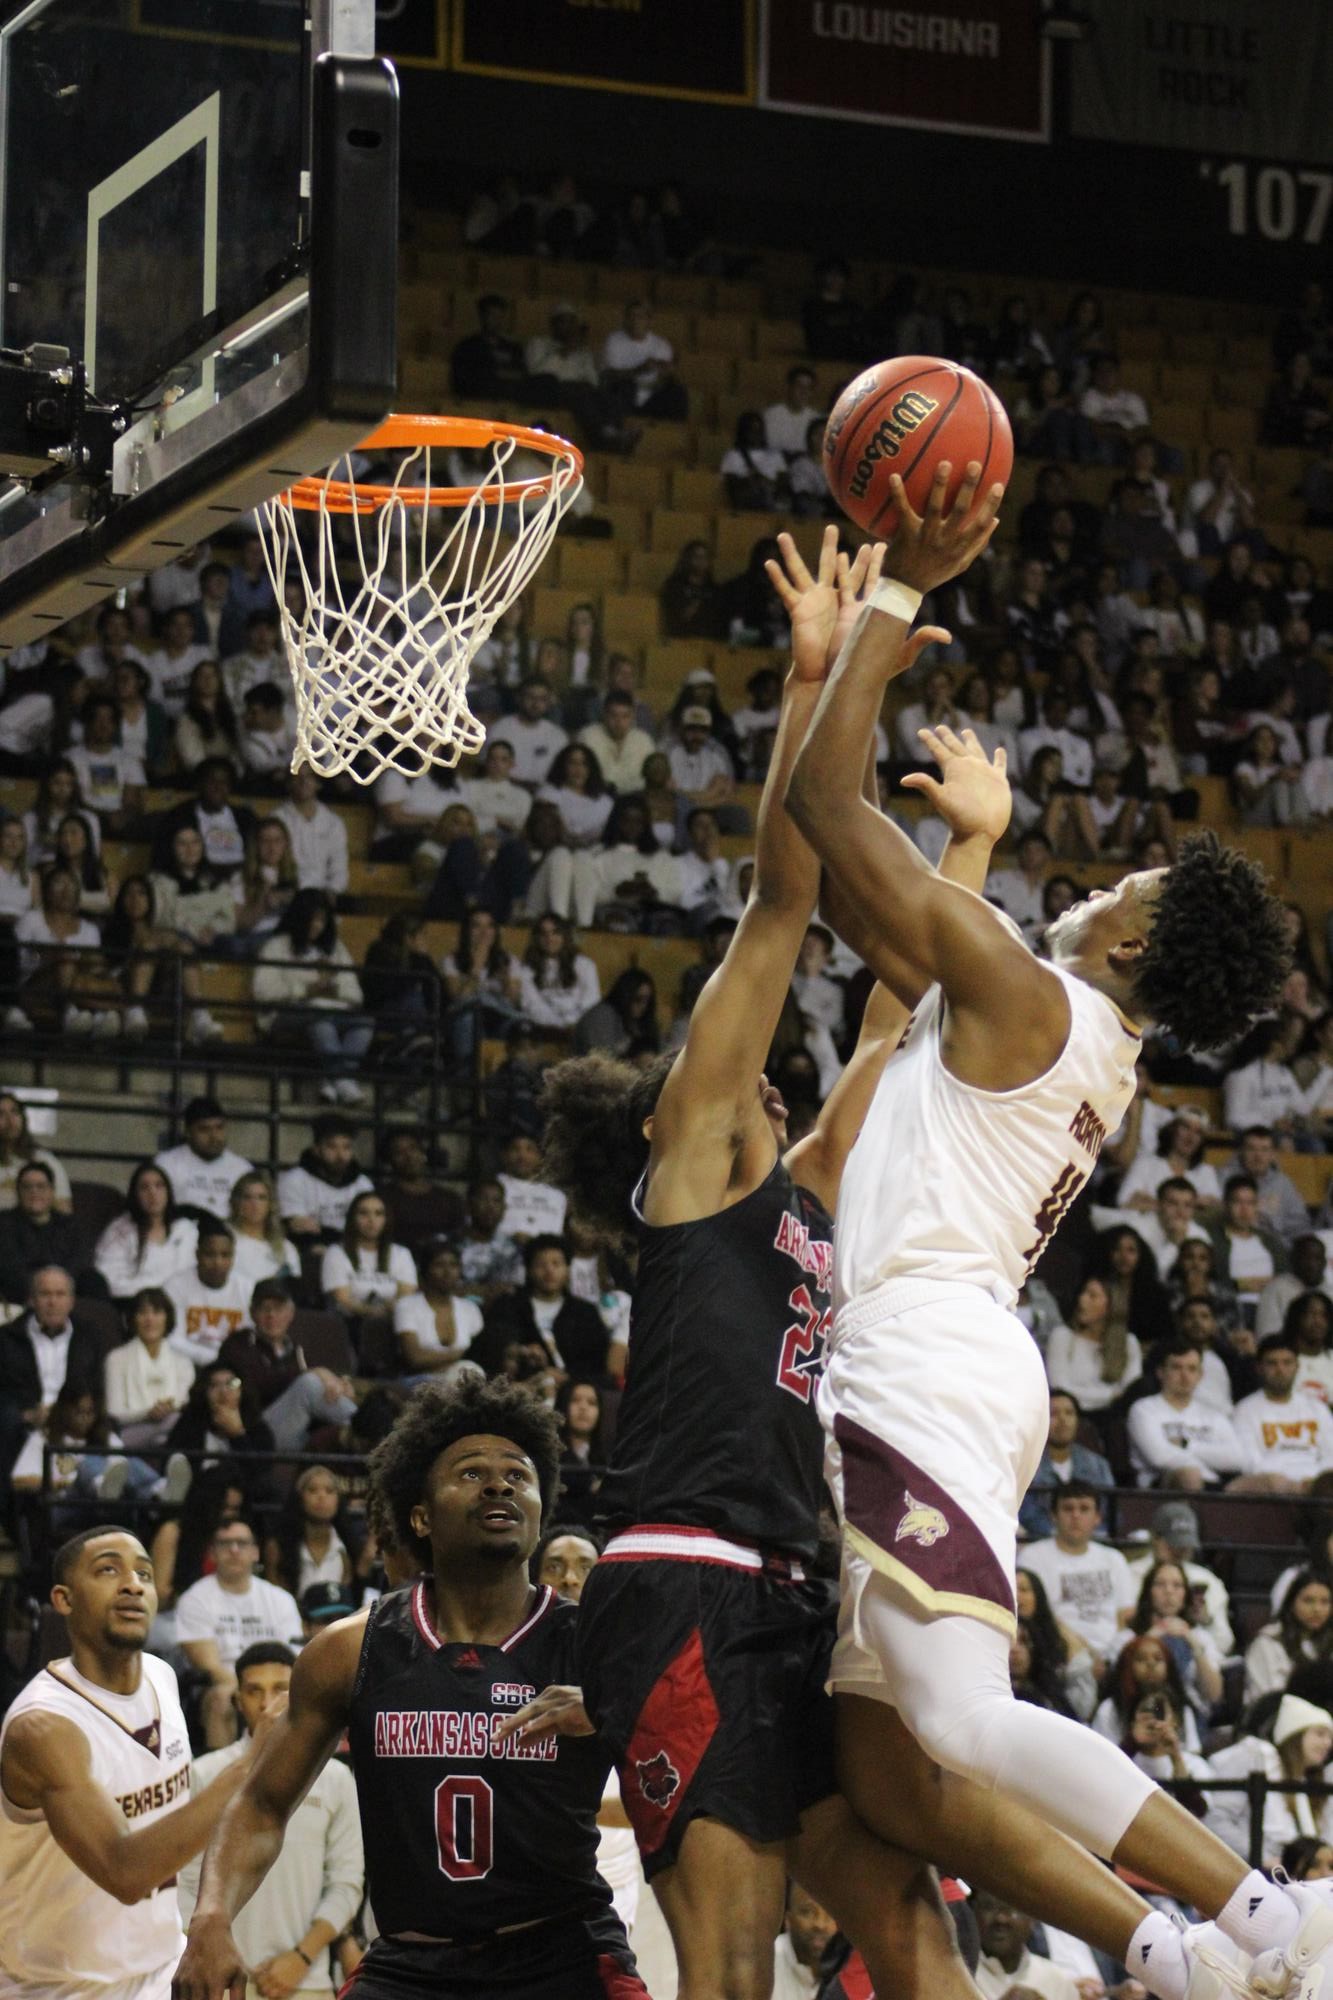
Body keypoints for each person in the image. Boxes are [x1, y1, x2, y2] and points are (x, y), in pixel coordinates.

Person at [534, 529, 1190, 2000]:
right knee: (730, 1968)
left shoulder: (815, 1195)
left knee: (901, 1917)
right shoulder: (696, 1164)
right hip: (693, 1568)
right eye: (743, 1082)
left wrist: (972, 848)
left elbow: (910, 1030)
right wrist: (814, 680)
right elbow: (782, 905)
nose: (775, 1084)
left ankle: (1164, 1948)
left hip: (793, 1584)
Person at [784, 461, 1306, 1996]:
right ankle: (1164, 1953)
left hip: (920, 1357)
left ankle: (1265, 1913)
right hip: (960, 1363)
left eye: (1132, 877)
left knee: (955, 1719)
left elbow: (824, 814)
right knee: (887, 1779)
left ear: (1132, 937)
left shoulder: (1031, 996)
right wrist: (973, 841)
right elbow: (881, 943)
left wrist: (896, 597)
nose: (1111, 878)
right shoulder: (1072, 1040)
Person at [172, 1374, 653, 2000]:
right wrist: (211, 1917)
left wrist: (613, 1711)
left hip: (562, 1954)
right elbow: (263, 1804)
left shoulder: (594, 1643)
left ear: (541, 1515)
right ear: (420, 1516)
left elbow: (687, 1785)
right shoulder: (351, 1650)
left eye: (518, 1474)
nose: (500, 1484)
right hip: (411, 1962)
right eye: (472, 1473)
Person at [0, 1526, 280, 2000]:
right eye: (109, 1570)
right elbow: (124, 1871)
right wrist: (251, 1758)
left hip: (161, 1970)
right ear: (64, 1599)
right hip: (58, 1988)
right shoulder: (43, 1727)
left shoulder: (161, 1676)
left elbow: (179, 1829)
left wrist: (208, 1923)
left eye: (144, 1574)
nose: (132, 1584)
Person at [178, 1642, 364, 1999]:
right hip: (221, 1980)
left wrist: (301, 1957)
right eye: (254, 1691)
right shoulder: (204, 1775)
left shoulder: (336, 1778)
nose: (267, 1703)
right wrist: (211, 1953)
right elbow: (184, 1883)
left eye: (280, 1689)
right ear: (237, 1701)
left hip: (307, 1980)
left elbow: (346, 1881)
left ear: (299, 1694)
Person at [176, 1514, 303, 1748]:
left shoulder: (281, 1600)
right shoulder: (194, 1599)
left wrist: (270, 1690)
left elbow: (293, 1659)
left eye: (242, 1543)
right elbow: (210, 1667)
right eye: (225, 1543)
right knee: (222, 1699)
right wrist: (251, 1691)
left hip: (277, 1682)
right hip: (222, 1685)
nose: (234, 1550)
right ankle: (223, 1768)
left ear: (255, 1552)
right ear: (212, 1553)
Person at [253, 891, 373, 1106]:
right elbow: (263, 991)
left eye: (322, 920)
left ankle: (331, 1079)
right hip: (285, 1013)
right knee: (320, 1019)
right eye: (313, 919)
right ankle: (343, 1080)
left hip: (332, 1010)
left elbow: (356, 994)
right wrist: (306, 990)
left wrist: (333, 990)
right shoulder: (277, 946)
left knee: (364, 1022)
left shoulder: (335, 949)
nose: (317, 925)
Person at [216, 1279, 357, 1452]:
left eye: (278, 1308)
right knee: (309, 1383)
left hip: (300, 1432)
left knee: (330, 1394)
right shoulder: (237, 1345)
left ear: (291, 1313)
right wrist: (315, 1373)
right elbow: (252, 1389)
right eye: (264, 1308)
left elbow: (320, 1389)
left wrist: (339, 1387)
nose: (271, 1315)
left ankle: (366, 1429)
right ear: (252, 1313)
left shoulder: (298, 1347)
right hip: (256, 1432)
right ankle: (369, 1429)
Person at [1020, 1482, 1138, 1668]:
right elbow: (1039, 1616)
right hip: (1060, 1650)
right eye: (1068, 1508)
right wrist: (1085, 1653)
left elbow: (1124, 1616)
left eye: (1084, 1509)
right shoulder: (1033, 1557)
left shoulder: (1114, 1558)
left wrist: (1109, 1658)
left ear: (1097, 1518)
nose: (1076, 1516)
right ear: (1053, 1516)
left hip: (1112, 1654)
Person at [1127, 1339, 1245, 1489]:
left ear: (1200, 1375)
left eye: (1192, 1369)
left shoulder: (1214, 1415)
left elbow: (1237, 1459)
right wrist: (1211, 1459)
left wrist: (1186, 1444)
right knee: (1190, 1476)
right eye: (1177, 1368)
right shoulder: (1143, 1409)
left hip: (1213, 1484)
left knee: (1269, 1482)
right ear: (1160, 1372)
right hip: (1159, 1487)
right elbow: (1159, 1458)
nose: (1185, 1376)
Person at [1233, 1332, 1333, 1490]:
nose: (1280, 1369)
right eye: (1272, 1363)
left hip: (1317, 1487)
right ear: (1259, 1368)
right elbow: (1250, 1462)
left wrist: (1314, 1482)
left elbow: (1330, 1455)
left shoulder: (1317, 1408)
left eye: (1287, 1363)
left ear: (1297, 1367)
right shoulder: (1245, 1410)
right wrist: (1293, 1483)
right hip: (1272, 1486)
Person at [104, 1287, 197, 1450]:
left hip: (173, 1432)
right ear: (133, 1319)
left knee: (176, 1425)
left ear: (167, 1318)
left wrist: (167, 1411)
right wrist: (148, 1414)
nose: (150, 1319)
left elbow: (183, 1403)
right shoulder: (116, 1358)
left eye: (157, 1312)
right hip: (129, 1432)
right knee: (175, 1421)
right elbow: (114, 1412)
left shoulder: (183, 1362)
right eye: (142, 1313)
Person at [1018, 1390, 1114, 1540]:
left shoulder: (1097, 1465)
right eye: (1053, 1414)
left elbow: (1109, 1511)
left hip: (1091, 1542)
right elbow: (1025, 1512)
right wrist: (1058, 1536)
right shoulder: (1027, 1461)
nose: (1063, 1420)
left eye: (1069, 1413)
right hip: (1038, 1541)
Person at [1045, 1274, 1143, 1413]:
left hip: (1114, 1414)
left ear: (1111, 1306)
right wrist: (1110, 1395)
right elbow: (1059, 1387)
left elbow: (1130, 1391)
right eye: (1083, 1293)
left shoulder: (1129, 1343)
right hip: (1074, 1414)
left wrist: (1112, 1398)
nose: (1082, 1300)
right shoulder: (1062, 1336)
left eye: (1092, 1296)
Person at [0, 1160, 89, 1305]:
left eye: (41, 1186)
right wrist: (40, 1290)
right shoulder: (4, 1223)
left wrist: (58, 1287)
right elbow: (10, 1268)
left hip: (64, 1290)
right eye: (27, 1187)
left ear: (52, 1191)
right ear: (18, 1192)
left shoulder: (70, 1225)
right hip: (20, 1294)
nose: (34, 1191)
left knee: (93, 1280)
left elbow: (79, 1262)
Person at [165, 1220, 253, 1367]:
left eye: (225, 1255)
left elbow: (252, 1339)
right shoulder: (175, 1286)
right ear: (197, 1254)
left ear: (233, 1258)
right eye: (210, 1255)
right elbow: (172, 1340)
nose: (217, 1262)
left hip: (234, 1367)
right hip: (186, 1364)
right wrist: (215, 1359)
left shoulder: (248, 1289)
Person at [276, 1113, 374, 1246]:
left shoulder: (363, 1184)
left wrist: (323, 1232)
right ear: (316, 1149)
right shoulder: (294, 1180)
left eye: (346, 1147)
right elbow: (299, 1230)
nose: (340, 1155)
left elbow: (368, 1230)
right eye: (332, 1147)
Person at [154, 1095, 254, 1224]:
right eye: (204, 1129)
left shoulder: (243, 1169)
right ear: (188, 1132)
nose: (214, 1137)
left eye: (219, 1128)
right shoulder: (166, 1164)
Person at [393, 1239, 482, 1382]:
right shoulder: (407, 1306)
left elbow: (481, 1355)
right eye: (439, 1265)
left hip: (463, 1381)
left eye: (453, 1265)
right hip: (419, 1381)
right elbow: (415, 1358)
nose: (448, 1272)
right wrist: (462, 1355)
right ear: (425, 1270)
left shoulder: (470, 1309)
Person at [1245, 1572, 1333, 1706]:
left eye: (1325, 1602)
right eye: (1308, 1601)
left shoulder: (1329, 1642)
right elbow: (1267, 1700)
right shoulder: (1267, 1643)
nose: (1317, 1609)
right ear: (1291, 1603)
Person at [973, 1891, 1081, 2000]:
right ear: (973, 1911)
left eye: (1012, 1907)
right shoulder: (964, 1975)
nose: (1001, 1919)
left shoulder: (1058, 1982)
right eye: (989, 1907)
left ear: (1033, 1917)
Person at [274, 767, 350, 897]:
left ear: (318, 783)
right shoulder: (277, 819)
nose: (303, 781)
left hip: (322, 895)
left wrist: (332, 891)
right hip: (287, 892)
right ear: (289, 783)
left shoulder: (333, 823)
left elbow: (339, 868)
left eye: (309, 776)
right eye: (297, 777)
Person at [227, 1170, 302, 1290]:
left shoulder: (287, 1249)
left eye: (261, 1198)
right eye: (247, 1197)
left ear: (270, 1204)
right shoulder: (224, 1238)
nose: (254, 1204)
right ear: (237, 1202)